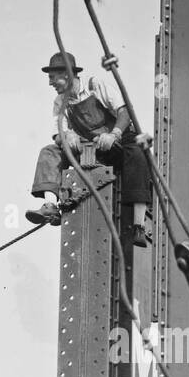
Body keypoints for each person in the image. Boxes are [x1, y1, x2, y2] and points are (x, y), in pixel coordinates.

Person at [24, 51, 153, 246]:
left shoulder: (96, 86)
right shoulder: (60, 102)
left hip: (116, 144)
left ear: (67, 75)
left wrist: (114, 134)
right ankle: (51, 206)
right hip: (90, 149)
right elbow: (58, 134)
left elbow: (124, 112)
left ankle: (138, 226)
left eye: (52, 78)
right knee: (49, 152)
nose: (50, 83)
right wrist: (67, 137)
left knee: (137, 153)